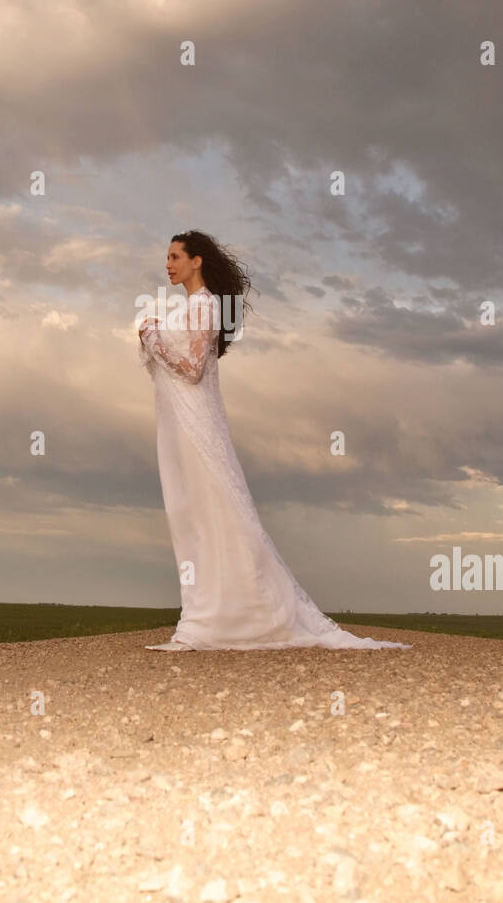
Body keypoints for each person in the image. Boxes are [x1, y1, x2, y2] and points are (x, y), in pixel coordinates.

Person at [137, 230, 411, 652]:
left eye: (175, 256)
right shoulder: (190, 307)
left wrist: (152, 336)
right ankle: (209, 614)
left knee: (214, 517)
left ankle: (221, 619)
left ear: (197, 261)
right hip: (180, 429)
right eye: (167, 258)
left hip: (198, 431)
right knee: (195, 520)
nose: (168, 264)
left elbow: (191, 367)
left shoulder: (206, 304)